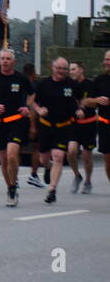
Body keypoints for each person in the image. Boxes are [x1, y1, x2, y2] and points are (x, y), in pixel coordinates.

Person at [0, 49, 34, 208]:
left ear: (13, 61)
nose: (5, 61)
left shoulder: (21, 78)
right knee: (4, 160)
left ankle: (13, 187)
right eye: (2, 59)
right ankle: (11, 187)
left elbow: (32, 94)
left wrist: (27, 107)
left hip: (16, 121)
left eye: (8, 59)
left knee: (12, 155)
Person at [32, 58, 81, 205]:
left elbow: (79, 101)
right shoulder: (44, 84)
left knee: (59, 156)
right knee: (44, 159)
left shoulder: (72, 85)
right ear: (52, 68)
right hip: (46, 126)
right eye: (58, 68)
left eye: (64, 69)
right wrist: (40, 110)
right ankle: (48, 168)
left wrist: (79, 110)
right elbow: (33, 101)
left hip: (64, 126)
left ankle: (52, 190)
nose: (61, 71)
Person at [67, 61, 95, 194]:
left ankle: (88, 181)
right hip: (74, 124)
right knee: (71, 151)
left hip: (89, 123)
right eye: (70, 69)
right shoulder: (68, 85)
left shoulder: (90, 85)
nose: (71, 71)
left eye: (74, 69)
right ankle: (77, 175)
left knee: (86, 156)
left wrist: (84, 107)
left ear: (81, 70)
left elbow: (92, 101)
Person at [86, 50, 110, 191]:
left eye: (108, 60)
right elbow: (87, 101)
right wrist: (97, 100)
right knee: (108, 160)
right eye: (105, 59)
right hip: (105, 125)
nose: (105, 62)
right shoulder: (99, 80)